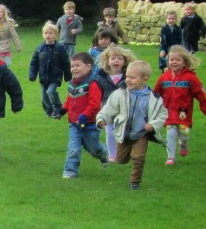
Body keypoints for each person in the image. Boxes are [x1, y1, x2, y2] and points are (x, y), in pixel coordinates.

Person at [96, 60, 168, 190]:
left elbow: (162, 114)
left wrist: (153, 124)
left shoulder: (153, 98)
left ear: (144, 79)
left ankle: (135, 182)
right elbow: (109, 108)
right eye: (127, 76)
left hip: (141, 132)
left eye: (133, 77)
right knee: (121, 159)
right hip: (123, 132)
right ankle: (127, 152)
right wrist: (101, 119)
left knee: (138, 157)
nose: (128, 80)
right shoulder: (120, 94)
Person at [152, 45, 206, 165]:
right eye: (171, 59)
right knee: (171, 132)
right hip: (169, 111)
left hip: (184, 112)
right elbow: (156, 93)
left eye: (177, 60)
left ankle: (183, 143)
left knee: (184, 135)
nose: (174, 62)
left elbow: (200, 92)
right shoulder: (164, 77)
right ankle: (171, 157)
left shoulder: (190, 78)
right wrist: (152, 106)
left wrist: (205, 105)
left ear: (184, 62)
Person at [61, 50, 107, 178]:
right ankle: (70, 171)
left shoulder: (93, 84)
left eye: (77, 65)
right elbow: (70, 98)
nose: (74, 69)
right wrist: (63, 110)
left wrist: (85, 115)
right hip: (74, 124)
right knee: (73, 148)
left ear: (88, 67)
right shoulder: (72, 83)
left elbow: (95, 104)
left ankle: (102, 153)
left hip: (90, 124)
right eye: (72, 66)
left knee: (93, 148)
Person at [93, 44, 136, 161]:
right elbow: (97, 93)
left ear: (124, 61)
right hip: (108, 109)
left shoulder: (129, 76)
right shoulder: (101, 76)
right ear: (107, 61)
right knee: (110, 132)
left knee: (125, 132)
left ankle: (127, 152)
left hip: (125, 108)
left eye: (119, 58)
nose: (116, 61)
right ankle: (112, 155)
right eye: (113, 58)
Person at [28, 24, 70, 119]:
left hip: (55, 76)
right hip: (43, 77)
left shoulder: (60, 48)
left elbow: (66, 63)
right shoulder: (40, 48)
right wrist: (32, 75)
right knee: (44, 96)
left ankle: (58, 107)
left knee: (50, 91)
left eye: (50, 33)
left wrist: (68, 75)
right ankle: (49, 111)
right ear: (43, 34)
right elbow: (34, 63)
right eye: (45, 33)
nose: (48, 35)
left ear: (56, 35)